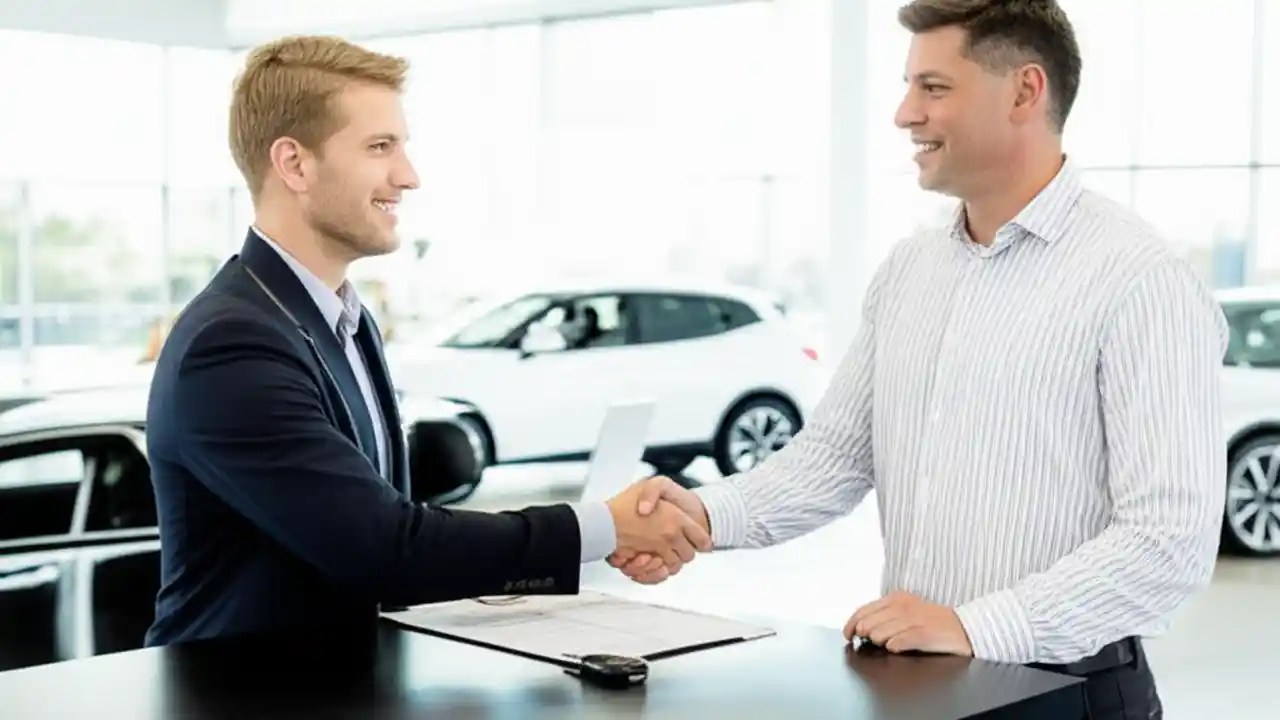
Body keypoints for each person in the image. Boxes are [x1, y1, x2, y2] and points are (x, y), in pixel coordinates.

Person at [610, 2, 1226, 717]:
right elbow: (836, 458)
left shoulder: (1140, 279)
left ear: (1026, 91)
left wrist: (974, 626)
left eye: (933, 88)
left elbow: (1167, 543)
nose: (905, 114)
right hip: (920, 684)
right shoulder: (911, 269)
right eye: (909, 87)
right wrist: (703, 516)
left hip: (1068, 693)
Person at [144, 35, 710, 649]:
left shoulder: (344, 321)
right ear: (294, 164)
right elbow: (383, 546)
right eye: (380, 147)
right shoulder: (232, 344)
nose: (407, 176)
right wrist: (603, 528)